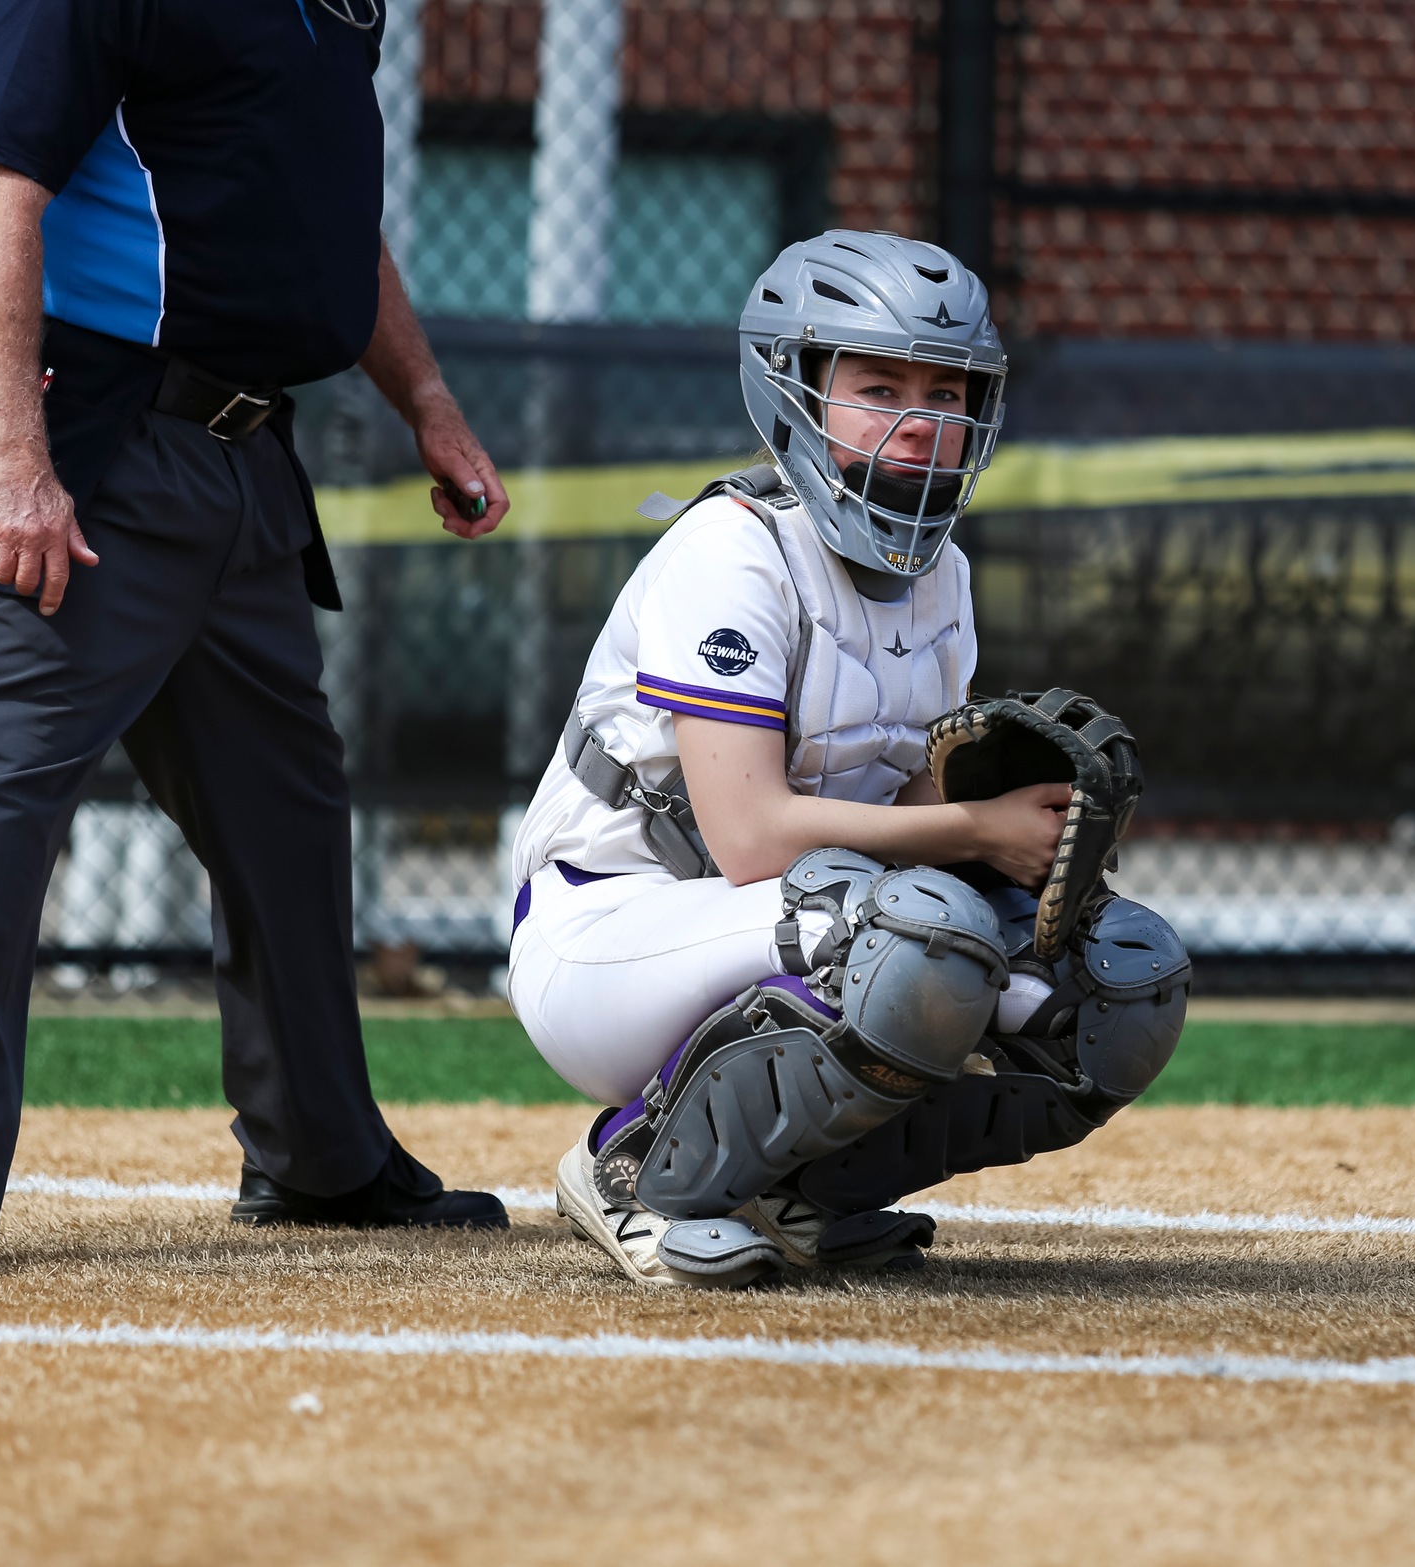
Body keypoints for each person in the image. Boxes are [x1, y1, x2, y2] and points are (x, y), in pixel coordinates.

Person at [0, 0, 513, 1266]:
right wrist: (13, 463)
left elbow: (334, 234)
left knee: (289, 806)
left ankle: (320, 1156)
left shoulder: (343, 8)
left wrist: (430, 404)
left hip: (248, 463)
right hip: (102, 453)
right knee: (1, 780)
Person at [506, 230, 1192, 1288]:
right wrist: (972, 831)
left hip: (786, 923)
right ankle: (633, 1164)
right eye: (878, 386)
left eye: (947, 391)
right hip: (606, 932)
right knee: (913, 933)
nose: (923, 423)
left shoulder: (942, 574)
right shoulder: (728, 550)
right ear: (797, 395)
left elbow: (903, 807)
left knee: (1111, 988)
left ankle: (796, 1188)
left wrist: (1023, 826)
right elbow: (749, 837)